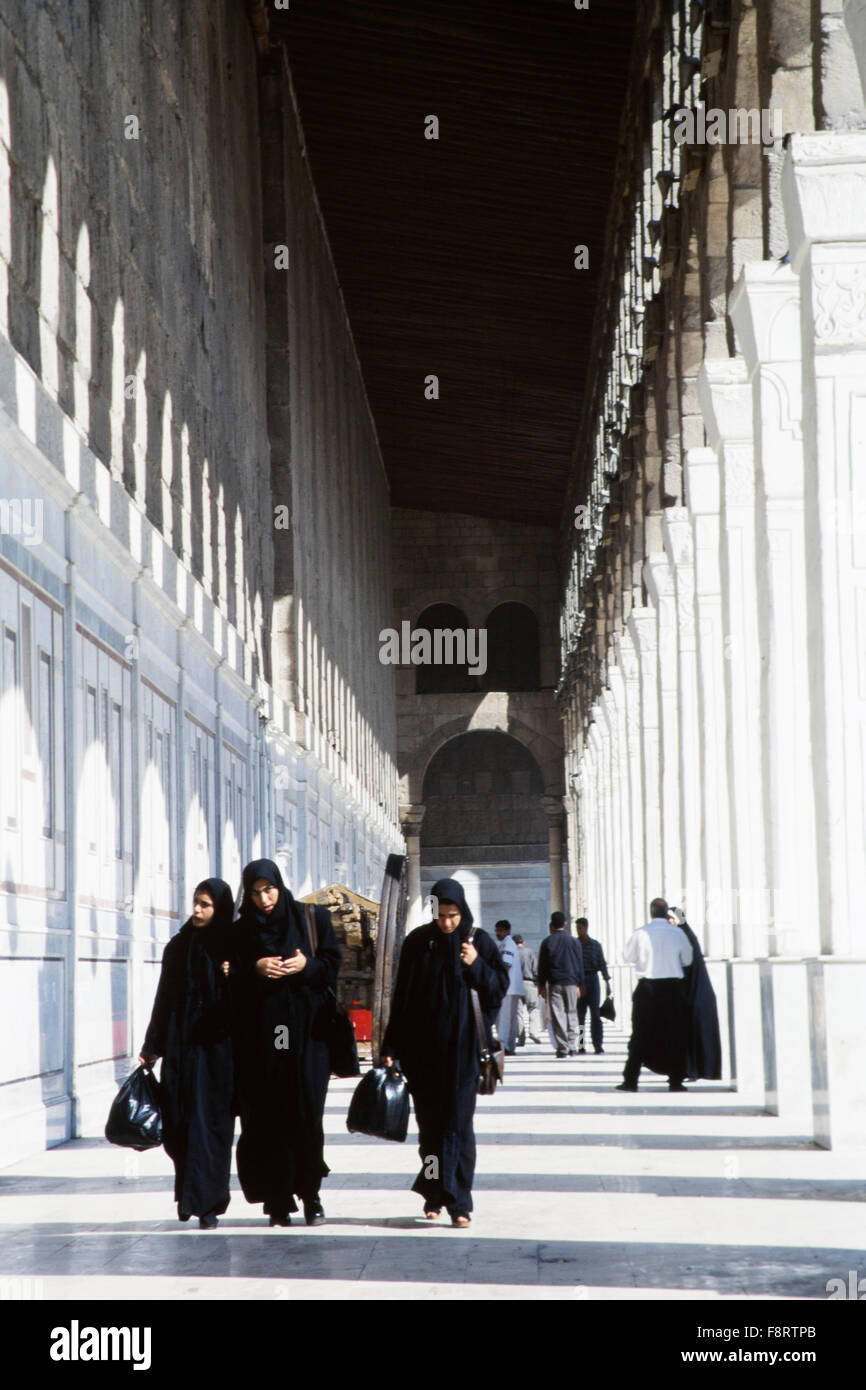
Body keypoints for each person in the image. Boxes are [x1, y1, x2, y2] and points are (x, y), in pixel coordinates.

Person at [381, 878, 508, 1228]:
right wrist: (391, 1046)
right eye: (441, 915)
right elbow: (402, 997)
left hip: (464, 1052)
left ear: (462, 911)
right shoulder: (419, 943)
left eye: (453, 915)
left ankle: (461, 1202)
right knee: (431, 1127)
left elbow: (498, 989)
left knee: (459, 1126)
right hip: (423, 1052)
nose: (447, 923)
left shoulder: (478, 941)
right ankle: (434, 1191)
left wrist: (477, 964)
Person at [230, 859, 341, 1227]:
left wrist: (305, 966)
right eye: (256, 892)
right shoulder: (241, 932)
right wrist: (255, 968)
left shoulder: (312, 919)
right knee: (266, 1117)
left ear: (280, 885)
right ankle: (277, 1199)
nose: (264, 899)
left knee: (307, 1113)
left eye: (270, 889)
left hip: (307, 1037)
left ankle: (310, 1193)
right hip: (262, 1040)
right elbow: (229, 983)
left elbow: (331, 965)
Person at [139, 879, 235, 1230]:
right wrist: (153, 1046)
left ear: (220, 908)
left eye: (205, 905)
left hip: (217, 1051)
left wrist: (233, 975)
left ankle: (207, 1203)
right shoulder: (178, 946)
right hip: (181, 1046)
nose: (197, 910)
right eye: (196, 902)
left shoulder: (232, 947)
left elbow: (251, 1001)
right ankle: (186, 1192)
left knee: (209, 1126)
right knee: (179, 1122)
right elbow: (163, 998)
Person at [616, 897, 693, 1093]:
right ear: (666, 912)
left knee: (640, 1034)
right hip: (673, 988)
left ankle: (631, 1080)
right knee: (675, 1034)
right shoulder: (677, 933)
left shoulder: (641, 933)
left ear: (651, 913)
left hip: (648, 988)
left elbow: (627, 957)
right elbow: (687, 959)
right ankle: (676, 1080)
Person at [669, 907, 722, 1082]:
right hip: (692, 994)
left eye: (671, 920)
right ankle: (688, 1070)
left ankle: (691, 1070)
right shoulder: (683, 936)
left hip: (696, 995)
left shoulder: (684, 937)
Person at [537, 911, 585, 1058]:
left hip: (555, 983)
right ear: (565, 923)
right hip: (571, 982)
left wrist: (541, 985)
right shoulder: (574, 942)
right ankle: (573, 1046)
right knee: (572, 1012)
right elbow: (579, 964)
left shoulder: (547, 942)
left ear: (551, 924)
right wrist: (580, 984)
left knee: (558, 1015)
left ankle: (562, 1048)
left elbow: (542, 966)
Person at [575, 916, 611, 1054]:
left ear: (585, 928)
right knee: (580, 1015)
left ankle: (598, 1044)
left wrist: (607, 982)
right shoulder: (575, 945)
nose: (578, 931)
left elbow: (602, 964)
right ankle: (581, 1044)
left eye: (580, 928)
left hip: (593, 980)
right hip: (580, 981)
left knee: (595, 1014)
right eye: (577, 928)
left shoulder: (596, 945)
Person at [493, 920, 525, 1055]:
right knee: (510, 1019)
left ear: (507, 931)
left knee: (504, 1018)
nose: (497, 933)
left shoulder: (507, 944)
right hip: (513, 987)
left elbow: (506, 964)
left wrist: (497, 981)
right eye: (497, 930)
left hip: (508, 988)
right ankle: (510, 1045)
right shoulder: (509, 943)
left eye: (500, 930)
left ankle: (504, 1045)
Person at [514, 934, 542, 1045]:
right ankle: (533, 1032)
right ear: (523, 942)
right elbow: (536, 969)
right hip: (529, 983)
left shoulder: (512, 952)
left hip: (516, 984)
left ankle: (521, 1038)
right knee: (533, 1009)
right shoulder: (529, 952)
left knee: (518, 1013)